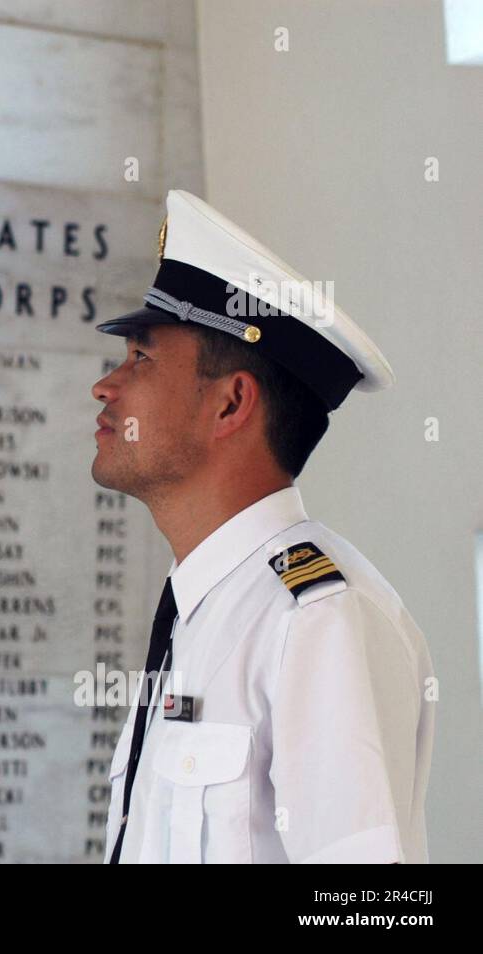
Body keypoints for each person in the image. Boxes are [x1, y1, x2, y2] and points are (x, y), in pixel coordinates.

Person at [92, 190, 434, 863]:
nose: (106, 386)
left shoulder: (315, 619)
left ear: (231, 403)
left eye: (141, 358)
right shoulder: (205, 609)